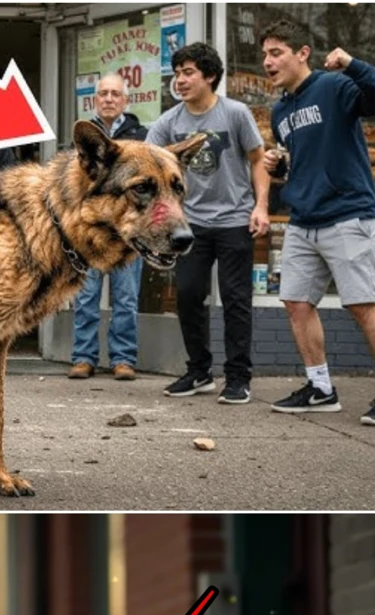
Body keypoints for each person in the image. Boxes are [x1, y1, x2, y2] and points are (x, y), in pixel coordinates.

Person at [261, 21, 375, 426]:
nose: (267, 62)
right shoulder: (280, 111)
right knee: (296, 304)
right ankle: (320, 388)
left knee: (362, 304)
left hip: (347, 213)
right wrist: (279, 167)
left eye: (276, 53)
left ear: (302, 53)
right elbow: (303, 162)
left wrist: (352, 63)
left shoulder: (333, 86)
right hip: (302, 219)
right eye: (265, 55)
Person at [147, 42, 270, 404]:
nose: (180, 80)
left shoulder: (235, 113)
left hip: (234, 219)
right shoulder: (169, 122)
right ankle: (199, 371)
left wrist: (261, 206)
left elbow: (258, 159)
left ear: (210, 76)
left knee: (235, 300)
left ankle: (238, 378)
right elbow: (148, 163)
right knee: (187, 296)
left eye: (189, 73)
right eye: (177, 74)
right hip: (190, 224)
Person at [68, 74, 148, 382]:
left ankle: (123, 359)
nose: (109, 99)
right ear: (95, 99)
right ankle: (83, 358)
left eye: (115, 94)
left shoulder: (142, 138)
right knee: (86, 297)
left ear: (125, 100)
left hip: (128, 234)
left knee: (126, 299)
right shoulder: (85, 138)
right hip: (90, 234)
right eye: (103, 94)